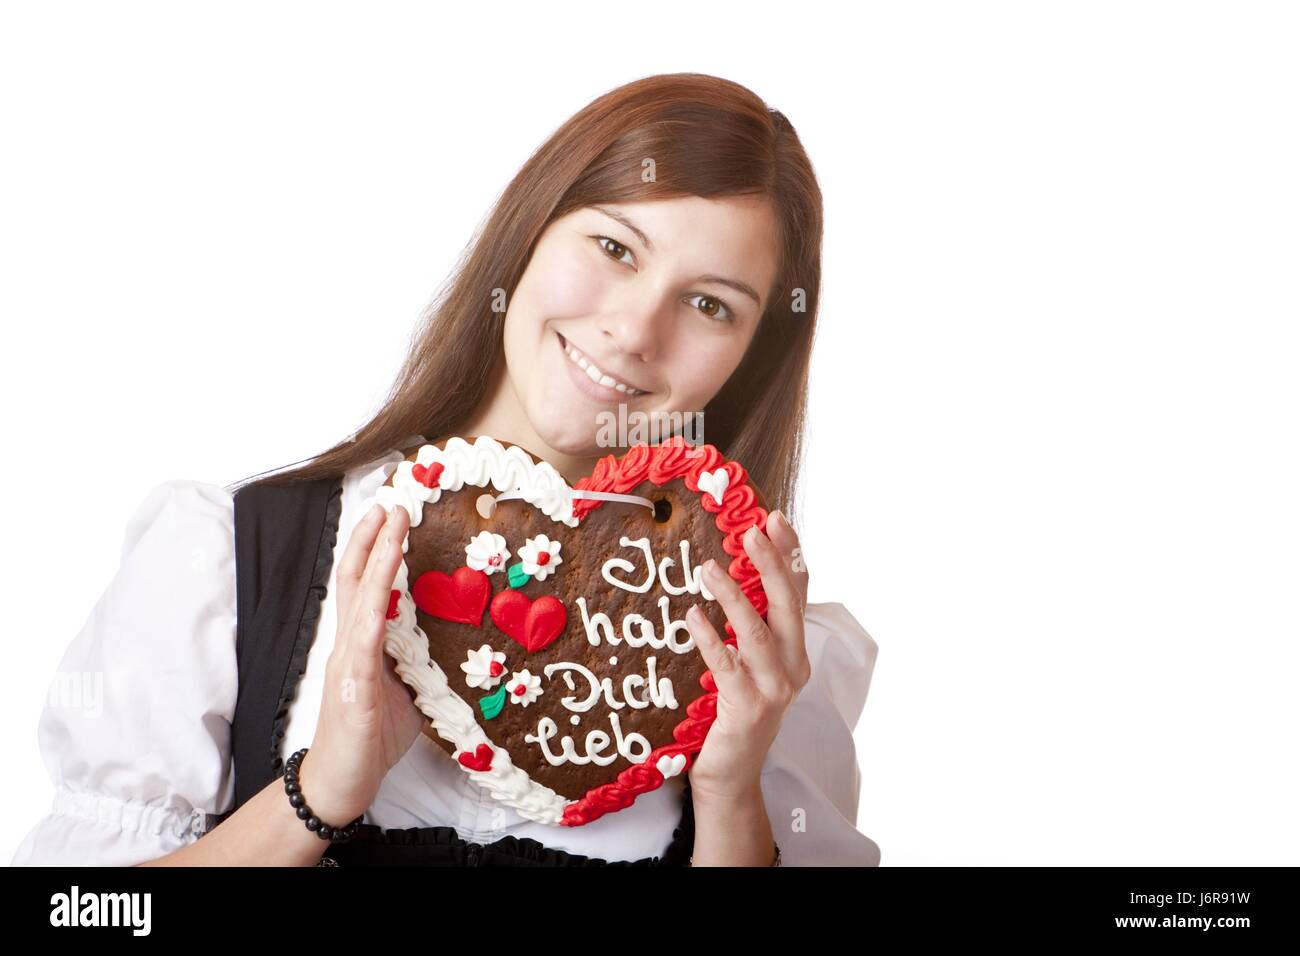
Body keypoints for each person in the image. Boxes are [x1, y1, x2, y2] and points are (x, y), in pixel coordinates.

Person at [11, 72, 880, 867]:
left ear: (750, 360)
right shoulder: (230, 558)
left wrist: (729, 800)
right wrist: (321, 794)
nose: (634, 329)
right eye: (615, 248)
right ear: (528, 232)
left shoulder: (767, 665)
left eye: (708, 305)